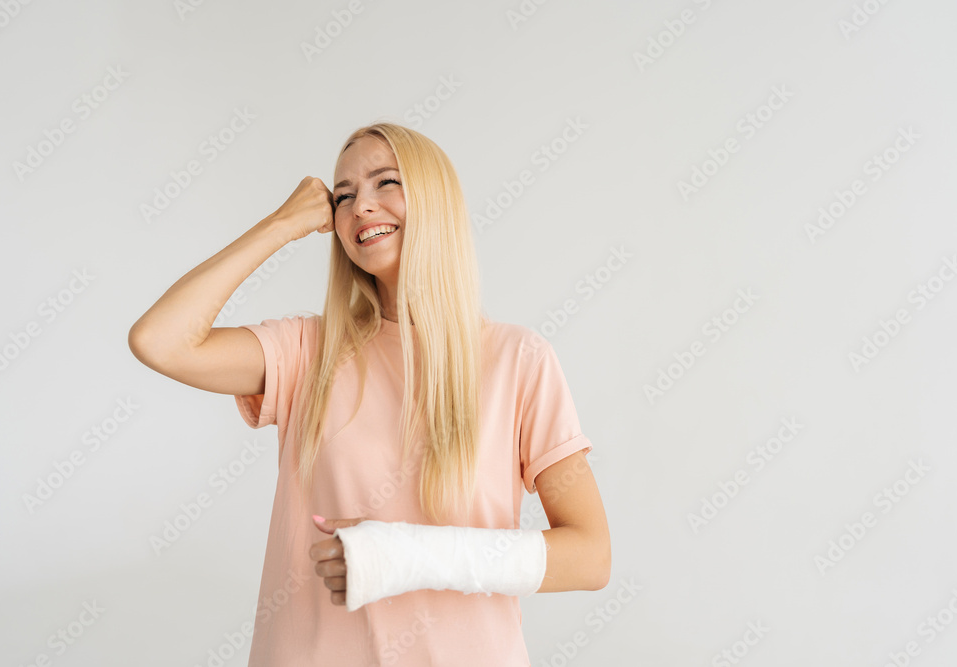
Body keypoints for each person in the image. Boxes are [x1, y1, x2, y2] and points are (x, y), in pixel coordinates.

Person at [127, 122, 610, 666]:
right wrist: (280, 226)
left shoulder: (518, 360)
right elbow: (159, 341)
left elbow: (591, 557)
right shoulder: (308, 351)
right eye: (344, 196)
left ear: (434, 199)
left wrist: (401, 555)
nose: (361, 207)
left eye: (386, 183)